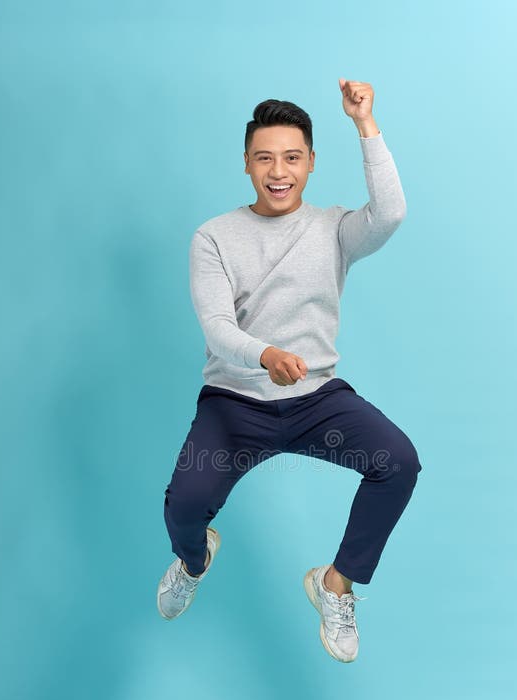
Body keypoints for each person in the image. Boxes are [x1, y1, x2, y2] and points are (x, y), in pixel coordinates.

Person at [158, 79, 422, 663]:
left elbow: (393, 211)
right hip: (234, 405)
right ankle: (195, 559)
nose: (279, 171)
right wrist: (266, 355)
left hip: (317, 404)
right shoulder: (215, 237)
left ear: (310, 162)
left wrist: (364, 122)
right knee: (182, 506)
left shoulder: (336, 230)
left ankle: (335, 584)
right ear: (248, 165)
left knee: (397, 463)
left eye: (293, 157)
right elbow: (217, 328)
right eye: (265, 158)